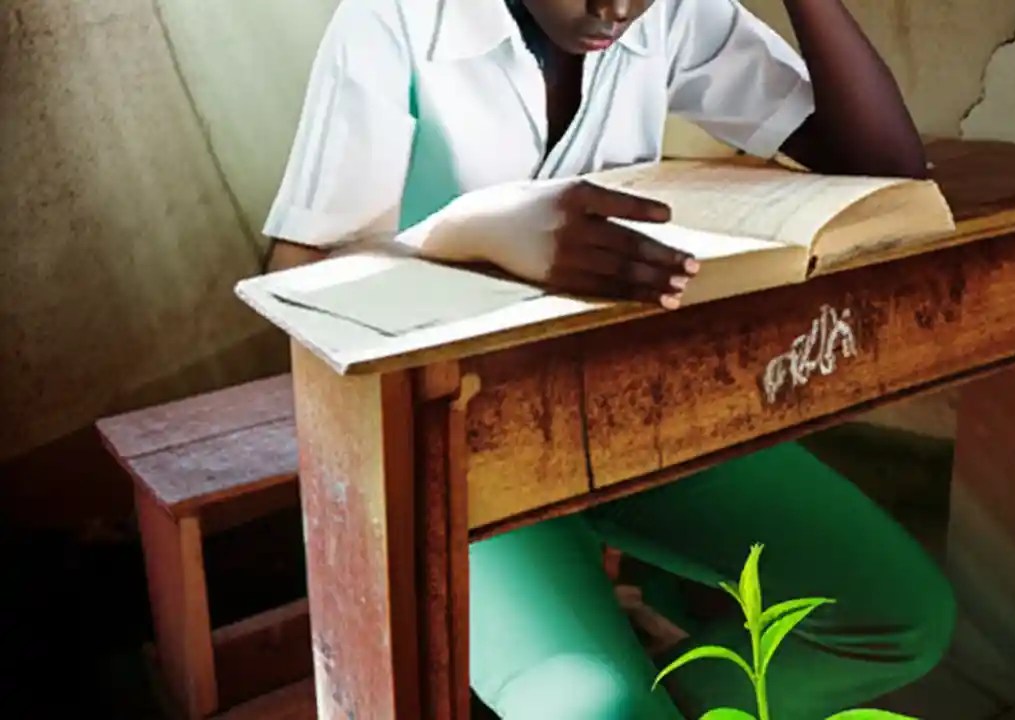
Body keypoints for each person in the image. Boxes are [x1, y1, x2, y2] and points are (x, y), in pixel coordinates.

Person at [263, 0, 955, 717]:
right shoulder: (394, 20)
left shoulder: (673, 13)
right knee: (601, 704)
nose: (618, 7)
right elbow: (294, 275)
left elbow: (888, 168)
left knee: (897, 620)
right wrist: (465, 232)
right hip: (449, 449)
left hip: (623, 411)